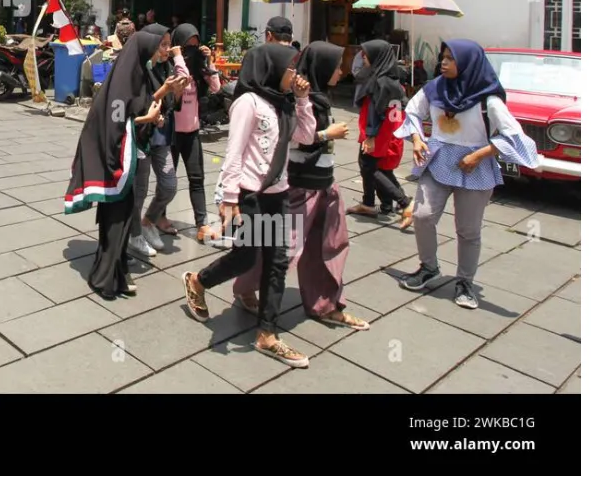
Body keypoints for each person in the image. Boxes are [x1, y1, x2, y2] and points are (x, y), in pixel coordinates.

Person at [181, 42, 316, 369]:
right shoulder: (248, 103)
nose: (295, 74)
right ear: (272, 68)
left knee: (277, 261)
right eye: (290, 68)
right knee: (246, 256)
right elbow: (234, 151)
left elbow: (307, 137)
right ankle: (199, 280)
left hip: (278, 193)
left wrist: (302, 101)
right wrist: (229, 197)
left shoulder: (284, 103)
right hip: (250, 194)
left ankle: (267, 333)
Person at [230, 42, 370, 331]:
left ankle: (326, 303)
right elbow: (290, 140)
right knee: (279, 249)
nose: (341, 72)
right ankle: (245, 287)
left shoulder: (317, 99)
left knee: (329, 246)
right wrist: (325, 133)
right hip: (298, 187)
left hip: (325, 184)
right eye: (337, 66)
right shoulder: (290, 99)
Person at [395, 40, 538, 309]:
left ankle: (464, 282)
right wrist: (416, 139)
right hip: (437, 160)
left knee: (468, 230)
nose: (443, 62)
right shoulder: (434, 88)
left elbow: (515, 136)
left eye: (451, 58)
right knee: (422, 216)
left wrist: (479, 154)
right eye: (443, 57)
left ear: (469, 63)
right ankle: (429, 268)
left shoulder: (488, 99)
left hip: (474, 167)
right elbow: (412, 111)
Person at [63, 31, 169, 300]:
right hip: (113, 160)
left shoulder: (137, 76)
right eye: (155, 48)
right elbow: (118, 121)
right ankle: (103, 278)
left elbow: (133, 114)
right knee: (116, 220)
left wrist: (151, 117)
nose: (157, 53)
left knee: (122, 217)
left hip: (123, 158)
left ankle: (116, 272)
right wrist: (148, 119)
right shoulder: (124, 82)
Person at [130, 24, 188, 258]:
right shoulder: (139, 69)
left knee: (169, 185)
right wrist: (165, 90)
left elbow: (170, 104)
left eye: (168, 44)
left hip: (161, 135)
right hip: (142, 136)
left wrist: (177, 93)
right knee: (139, 190)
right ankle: (135, 233)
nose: (166, 50)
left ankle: (148, 221)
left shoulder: (166, 68)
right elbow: (140, 104)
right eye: (162, 45)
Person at [349, 40, 413, 225]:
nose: (363, 57)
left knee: (370, 168)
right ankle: (370, 203)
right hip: (386, 132)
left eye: (367, 54)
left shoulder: (380, 82)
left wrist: (370, 136)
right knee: (371, 166)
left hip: (377, 132)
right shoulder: (391, 79)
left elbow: (375, 110)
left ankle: (404, 202)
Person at [169, 24, 223, 243]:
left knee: (197, 179)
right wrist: (177, 57)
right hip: (172, 134)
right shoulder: (172, 67)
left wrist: (208, 61)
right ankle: (157, 217)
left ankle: (202, 224)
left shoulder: (199, 67)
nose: (192, 50)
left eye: (195, 45)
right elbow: (179, 82)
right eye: (187, 46)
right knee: (167, 182)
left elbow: (217, 87)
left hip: (191, 133)